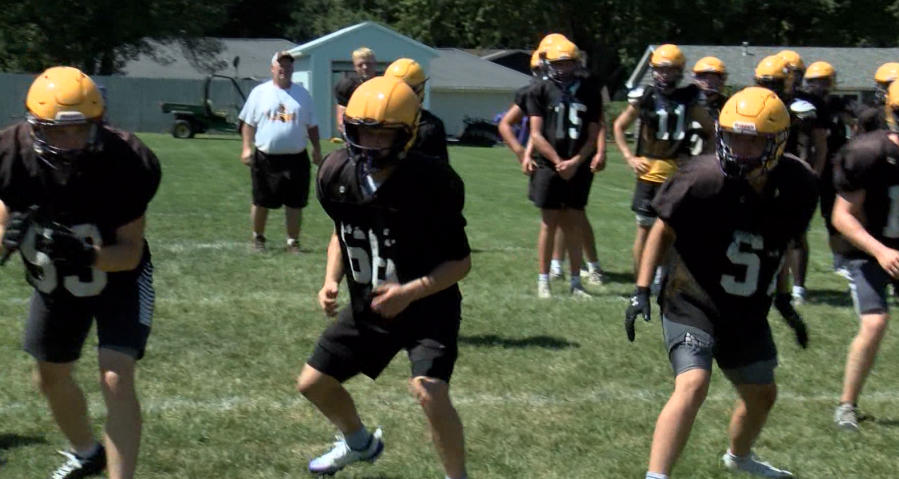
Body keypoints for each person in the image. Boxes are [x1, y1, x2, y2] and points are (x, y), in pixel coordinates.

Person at [625, 87, 817, 479]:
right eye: (733, 136)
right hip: (692, 297)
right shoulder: (702, 175)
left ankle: (739, 458)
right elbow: (662, 231)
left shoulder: (799, 183)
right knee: (693, 383)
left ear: (779, 141)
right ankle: (656, 476)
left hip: (746, 307)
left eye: (753, 139)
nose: (741, 147)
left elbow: (779, 245)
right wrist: (641, 289)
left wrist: (783, 298)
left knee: (762, 394)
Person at [297, 76, 472, 479]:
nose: (369, 144)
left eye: (382, 135)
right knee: (312, 384)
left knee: (429, 390)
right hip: (370, 304)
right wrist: (330, 281)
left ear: (408, 135)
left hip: (428, 303)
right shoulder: (335, 172)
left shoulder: (432, 181)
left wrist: (411, 292)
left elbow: (459, 263)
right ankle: (359, 443)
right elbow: (343, 232)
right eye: (362, 132)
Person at [0, 66, 161, 479]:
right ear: (35, 126)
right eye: (58, 131)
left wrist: (88, 256)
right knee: (49, 376)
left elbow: (129, 252)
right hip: (55, 281)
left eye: (80, 131)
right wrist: (7, 238)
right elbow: (1, 228)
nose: (70, 143)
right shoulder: (11, 155)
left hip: (117, 279)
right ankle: (87, 452)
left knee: (115, 376)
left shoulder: (125, 159)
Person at [613, 44, 714, 290]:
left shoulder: (690, 97)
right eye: (660, 69)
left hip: (677, 174)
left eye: (670, 70)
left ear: (679, 71)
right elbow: (618, 126)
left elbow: (712, 131)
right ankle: (641, 282)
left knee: (670, 231)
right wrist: (629, 156)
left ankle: (662, 278)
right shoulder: (644, 96)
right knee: (644, 228)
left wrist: (699, 161)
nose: (664, 75)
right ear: (653, 70)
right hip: (649, 172)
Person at [831, 80, 899, 432]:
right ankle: (847, 405)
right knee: (875, 322)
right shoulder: (867, 153)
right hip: (868, 249)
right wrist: (881, 250)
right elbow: (842, 216)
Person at [526, 37, 603, 297]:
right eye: (558, 63)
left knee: (573, 222)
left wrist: (576, 161)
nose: (562, 69)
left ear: (575, 63)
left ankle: (575, 282)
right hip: (551, 164)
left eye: (567, 63)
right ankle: (543, 280)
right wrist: (559, 162)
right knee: (548, 222)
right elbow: (536, 134)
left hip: (576, 164)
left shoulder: (590, 92)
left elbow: (593, 134)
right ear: (549, 64)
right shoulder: (539, 90)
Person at [755, 53, 827, 304]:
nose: (769, 88)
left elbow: (819, 143)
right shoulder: (753, 102)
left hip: (790, 171)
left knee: (795, 232)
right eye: (765, 82)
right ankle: (764, 280)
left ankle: (797, 288)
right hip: (759, 171)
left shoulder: (803, 106)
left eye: (775, 83)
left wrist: (813, 174)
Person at [239, 51, 321, 253]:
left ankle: (292, 242)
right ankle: (258, 238)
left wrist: (317, 150)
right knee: (261, 200)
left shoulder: (303, 95)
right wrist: (246, 148)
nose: (285, 69)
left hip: (296, 157)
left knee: (295, 202)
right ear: (272, 68)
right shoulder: (260, 92)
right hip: (266, 157)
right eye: (281, 65)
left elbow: (312, 126)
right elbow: (248, 123)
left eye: (288, 65)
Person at [385, 58, 449, 162]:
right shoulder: (376, 119)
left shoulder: (431, 126)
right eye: (398, 90)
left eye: (409, 90)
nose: (404, 96)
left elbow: (440, 171)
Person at [334, 47, 377, 133]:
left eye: (368, 63)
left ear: (374, 64)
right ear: (355, 67)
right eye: (360, 64)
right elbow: (341, 120)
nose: (365, 67)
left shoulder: (384, 83)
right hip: (356, 131)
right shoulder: (347, 85)